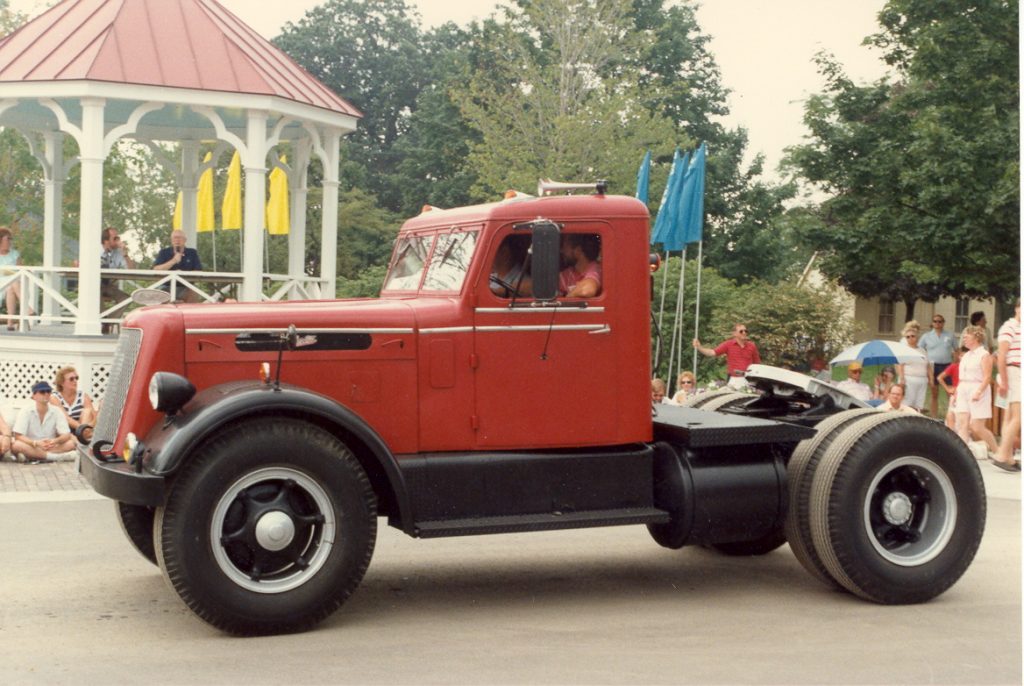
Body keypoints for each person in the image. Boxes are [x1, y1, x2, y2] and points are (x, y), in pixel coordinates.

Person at [955, 325, 998, 458]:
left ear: (976, 338)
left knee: (977, 427)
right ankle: (962, 456)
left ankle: (997, 451)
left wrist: (979, 391)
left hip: (978, 388)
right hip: (963, 388)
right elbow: (962, 376)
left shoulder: (984, 355)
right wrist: (957, 392)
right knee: (962, 423)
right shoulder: (966, 355)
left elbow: (987, 377)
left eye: (967, 336)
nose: (964, 338)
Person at [11, 380, 76, 463]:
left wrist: (55, 441)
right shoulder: (26, 411)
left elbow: (66, 434)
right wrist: (35, 443)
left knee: (71, 443)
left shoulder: (56, 411)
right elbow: (18, 436)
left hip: (50, 446)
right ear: (34, 396)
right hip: (32, 445)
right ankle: (53, 457)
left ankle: (34, 456)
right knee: (16, 445)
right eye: (42, 392)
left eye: (48, 391)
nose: (46, 394)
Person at [992, 301, 1020, 471]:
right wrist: (1004, 381)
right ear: (1017, 308)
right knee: (1018, 416)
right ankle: (1002, 455)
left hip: (1017, 372)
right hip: (1013, 371)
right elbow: (1001, 355)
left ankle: (1008, 456)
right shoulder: (1009, 327)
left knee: (1009, 417)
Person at [693, 323, 761, 389]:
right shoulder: (728, 344)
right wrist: (699, 347)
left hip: (750, 380)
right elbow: (712, 352)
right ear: (734, 333)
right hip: (734, 380)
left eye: (745, 331)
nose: (744, 333)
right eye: (741, 331)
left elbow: (757, 364)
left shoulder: (752, 346)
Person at [919, 314, 957, 417]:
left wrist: (954, 364)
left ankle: (951, 416)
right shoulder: (926, 336)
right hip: (933, 366)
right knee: (934, 393)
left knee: (950, 392)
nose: (937, 323)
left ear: (943, 323)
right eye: (935, 321)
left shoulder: (950, 335)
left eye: (940, 321)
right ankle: (934, 418)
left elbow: (957, 350)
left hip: (947, 366)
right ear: (932, 323)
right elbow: (920, 350)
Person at [154, 229, 202, 302]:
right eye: (175, 238)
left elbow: (198, 271)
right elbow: (156, 270)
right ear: (171, 240)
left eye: (179, 238)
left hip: (186, 286)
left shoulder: (192, 253)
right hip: (166, 286)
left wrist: (183, 273)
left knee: (194, 293)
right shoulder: (164, 252)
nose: (177, 240)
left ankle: (188, 310)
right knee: (159, 295)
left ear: (185, 240)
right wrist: (174, 261)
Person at [0, 226, 32, 331]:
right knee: (13, 283)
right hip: (1, 282)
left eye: (11, 239)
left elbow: (21, 269)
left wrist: (28, 271)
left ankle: (10, 323)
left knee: (12, 286)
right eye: (7, 239)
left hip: (13, 283)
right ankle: (27, 308)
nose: (10, 241)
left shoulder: (15, 254)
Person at [49, 366, 96, 433]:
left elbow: (94, 417)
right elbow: (65, 418)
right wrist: (83, 429)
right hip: (63, 431)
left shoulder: (83, 396)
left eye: (76, 378)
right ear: (61, 383)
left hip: (81, 430)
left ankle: (82, 434)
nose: (75, 381)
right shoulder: (54, 397)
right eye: (71, 379)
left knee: (87, 411)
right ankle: (83, 434)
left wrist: (86, 428)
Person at [557, 234, 602, 298]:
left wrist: (567, 298)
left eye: (565, 247)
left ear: (578, 251)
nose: (562, 251)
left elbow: (587, 290)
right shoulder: (568, 273)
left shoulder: (596, 269)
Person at [897, 322, 928, 412]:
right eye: (908, 337)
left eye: (913, 336)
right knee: (907, 403)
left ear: (917, 336)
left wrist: (930, 378)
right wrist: (902, 379)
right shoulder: (904, 349)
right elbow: (900, 365)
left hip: (922, 380)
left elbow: (927, 365)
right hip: (909, 379)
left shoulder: (922, 350)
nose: (910, 338)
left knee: (919, 404)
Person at [100, 226, 135, 303]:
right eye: (115, 238)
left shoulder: (118, 252)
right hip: (93, 285)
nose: (118, 240)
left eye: (118, 238)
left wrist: (125, 254)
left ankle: (110, 312)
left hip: (108, 286)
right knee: (96, 300)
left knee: (126, 300)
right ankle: (103, 312)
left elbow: (131, 270)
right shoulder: (94, 249)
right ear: (106, 241)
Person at [936, 351, 963, 431]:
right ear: (959, 356)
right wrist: (948, 389)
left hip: (967, 394)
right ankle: (951, 432)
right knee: (951, 414)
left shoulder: (972, 369)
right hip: (956, 394)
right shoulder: (954, 367)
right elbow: (939, 378)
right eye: (961, 356)